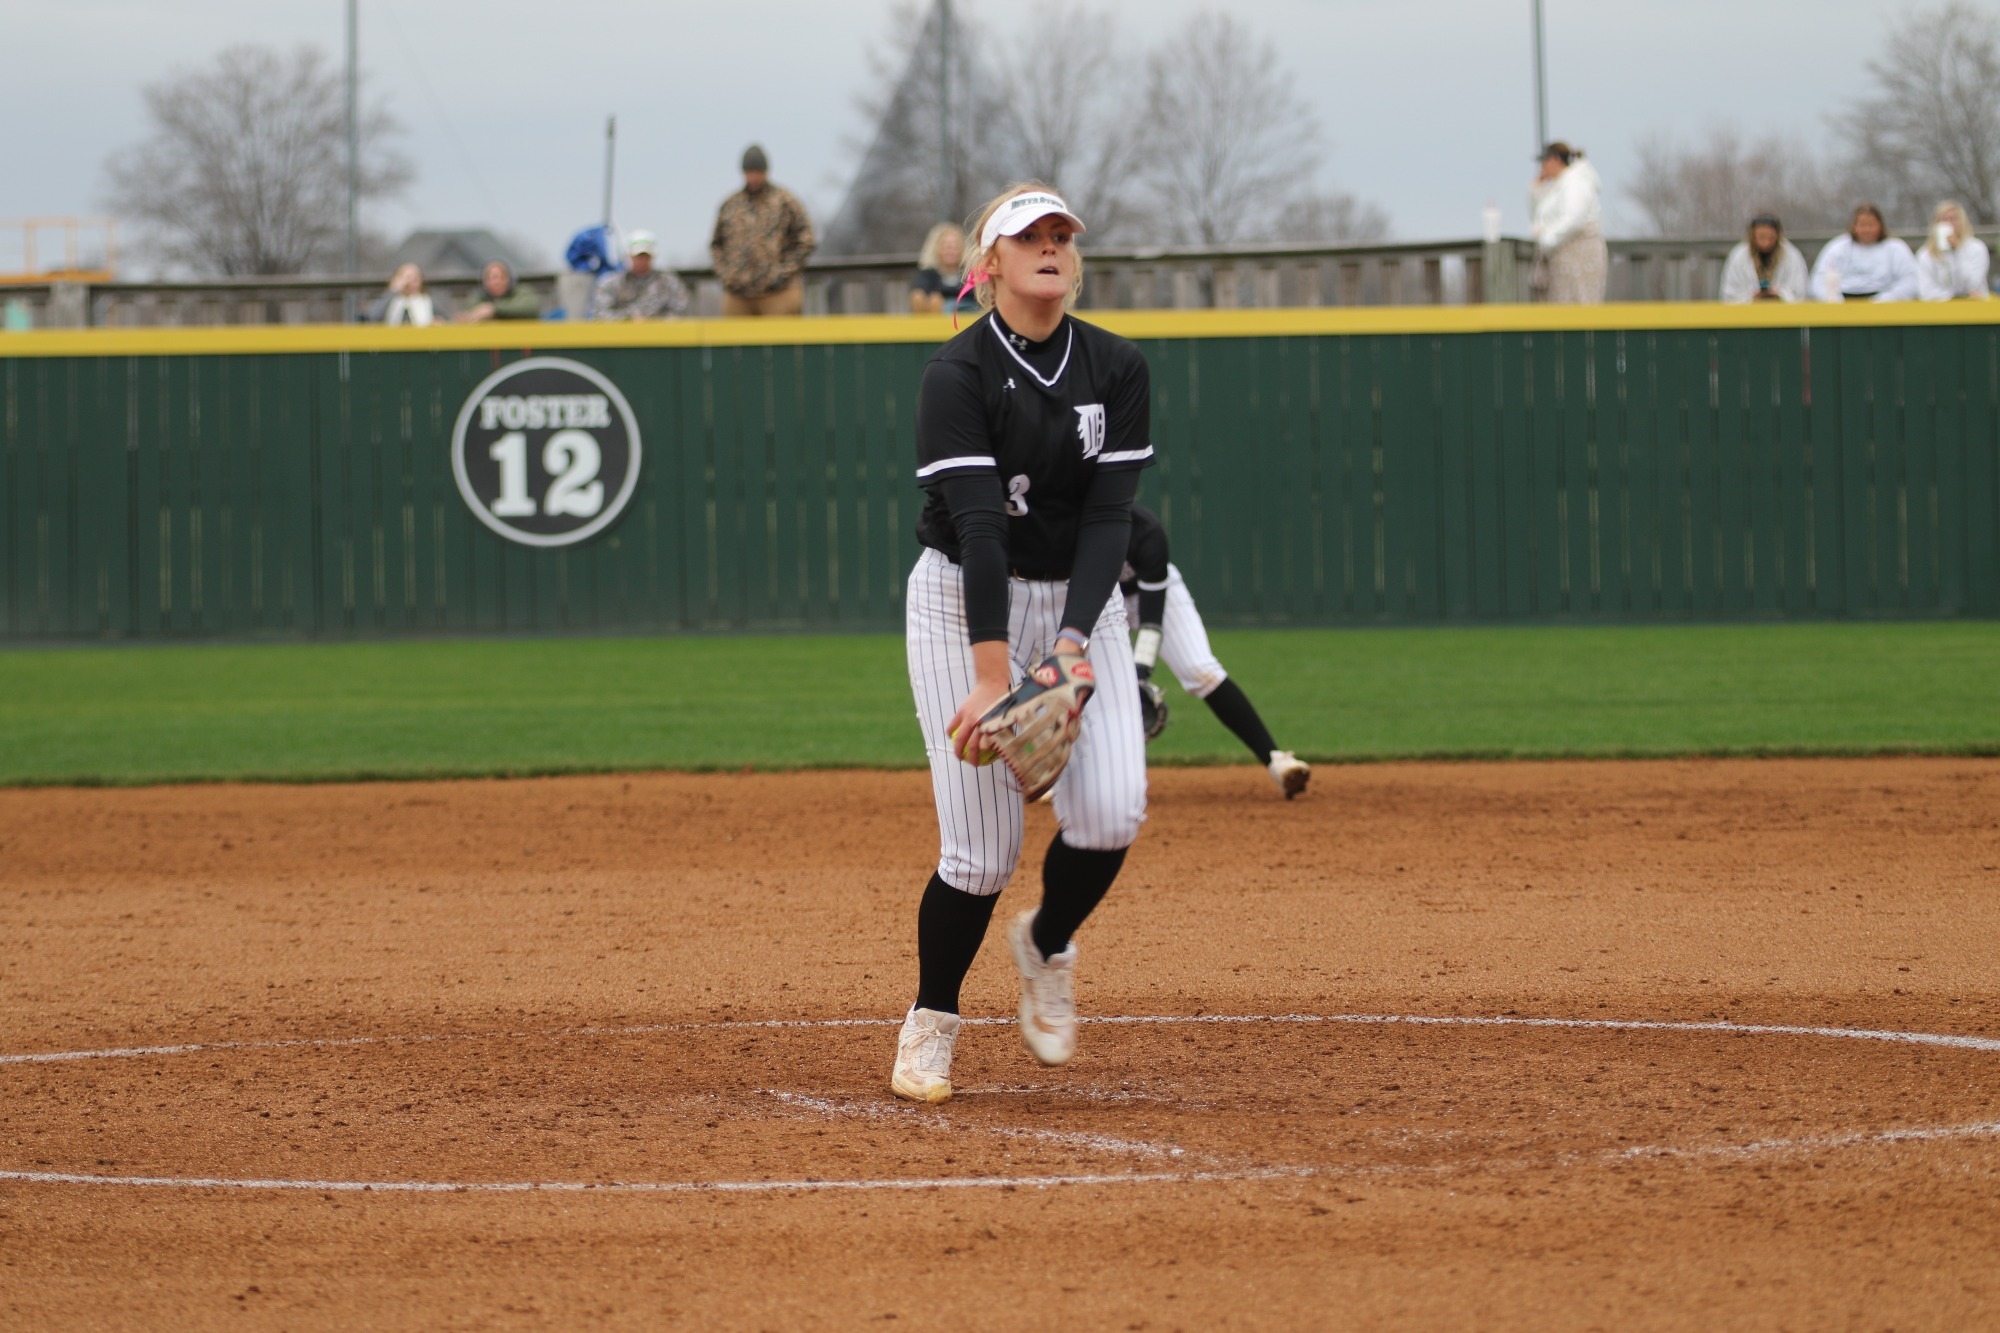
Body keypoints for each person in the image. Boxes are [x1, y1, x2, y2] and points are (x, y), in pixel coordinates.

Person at [892, 183, 1153, 1105]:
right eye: (1027, 235)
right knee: (979, 855)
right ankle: (931, 1022)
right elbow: (979, 528)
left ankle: (1045, 947)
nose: (1049, 246)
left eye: (1060, 235)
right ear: (988, 264)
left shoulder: (1116, 368)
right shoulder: (956, 376)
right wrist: (995, 680)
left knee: (1115, 808)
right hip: (965, 604)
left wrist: (1075, 649)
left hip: (1082, 606)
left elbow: (1109, 520)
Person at [1120, 504, 1309, 798]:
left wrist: (1139, 671)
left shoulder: (1146, 533)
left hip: (1153, 595)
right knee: (1081, 679)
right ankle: (1065, 779)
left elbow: (1151, 618)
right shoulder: (1077, 522)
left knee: (1201, 671)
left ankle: (1276, 760)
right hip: (1102, 600)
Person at [710, 144, 816, 317]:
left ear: (766, 172)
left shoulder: (784, 201)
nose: (753, 177)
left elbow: (806, 239)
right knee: (734, 341)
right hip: (739, 295)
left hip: (777, 294)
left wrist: (783, 273)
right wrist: (727, 276)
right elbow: (716, 244)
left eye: (757, 172)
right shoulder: (731, 205)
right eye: (749, 172)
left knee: (781, 341)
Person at [1529, 141, 1606, 304]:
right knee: (1563, 309)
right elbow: (1541, 215)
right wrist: (1535, 190)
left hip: (1579, 256)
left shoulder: (1576, 181)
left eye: (1544, 161)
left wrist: (1547, 241)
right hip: (1563, 257)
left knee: (1579, 306)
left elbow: (1574, 218)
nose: (1542, 167)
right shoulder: (1559, 185)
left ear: (1555, 160)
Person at [1810, 204, 1918, 302]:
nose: (1867, 229)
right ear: (1854, 226)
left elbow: (1909, 280)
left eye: (1871, 225)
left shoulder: (1896, 248)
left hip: (1885, 305)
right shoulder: (1837, 248)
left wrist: (1886, 299)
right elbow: (1819, 280)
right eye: (1862, 225)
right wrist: (1835, 301)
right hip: (1842, 303)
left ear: (1880, 225)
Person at [593, 230, 689, 320]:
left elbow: (680, 313)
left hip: (659, 336)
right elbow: (600, 314)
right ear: (629, 256)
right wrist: (628, 318)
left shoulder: (669, 282)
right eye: (638, 256)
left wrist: (653, 320)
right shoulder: (610, 283)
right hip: (620, 336)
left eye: (646, 256)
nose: (642, 261)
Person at [1720, 214, 1809, 304]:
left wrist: (1779, 294)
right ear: (1753, 236)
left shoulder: (1791, 256)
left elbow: (1799, 290)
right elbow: (1729, 293)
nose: (1765, 242)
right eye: (1761, 237)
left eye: (1770, 238)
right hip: (1747, 314)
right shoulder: (1739, 257)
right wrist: (1752, 297)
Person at [1916, 201, 1990, 301]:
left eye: (1953, 218)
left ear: (1962, 222)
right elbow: (1925, 291)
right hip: (1940, 311)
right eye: (1943, 219)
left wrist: (1958, 251)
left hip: (1975, 310)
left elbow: (1973, 285)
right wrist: (1954, 298)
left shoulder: (1977, 248)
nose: (1948, 223)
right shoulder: (1925, 254)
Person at [909, 222, 973, 316]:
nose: (950, 251)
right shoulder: (927, 275)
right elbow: (919, 296)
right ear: (936, 249)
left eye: (955, 247)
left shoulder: (970, 274)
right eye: (946, 247)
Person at [454, 260, 540, 322]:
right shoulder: (479, 297)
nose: (496, 282)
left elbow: (530, 308)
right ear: (484, 282)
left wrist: (493, 309)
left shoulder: (522, 293)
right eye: (491, 278)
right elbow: (470, 312)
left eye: (500, 277)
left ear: (509, 279)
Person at [365, 262, 446, 325]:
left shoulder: (428, 302)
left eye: (414, 278)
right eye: (406, 277)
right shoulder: (389, 300)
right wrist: (392, 291)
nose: (409, 282)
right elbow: (372, 317)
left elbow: (445, 320)